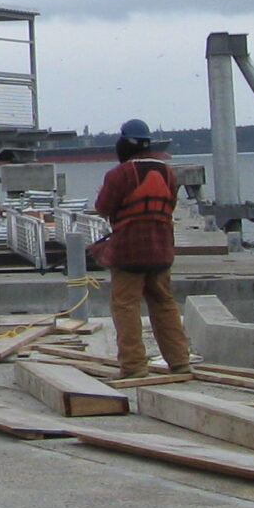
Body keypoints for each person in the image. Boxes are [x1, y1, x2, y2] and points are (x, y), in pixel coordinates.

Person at [94, 118, 190, 378]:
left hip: (128, 251)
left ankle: (134, 366)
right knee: (165, 303)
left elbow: (103, 207)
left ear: (123, 143)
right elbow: (169, 205)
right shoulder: (168, 172)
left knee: (126, 306)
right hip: (161, 248)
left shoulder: (119, 174)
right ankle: (180, 361)